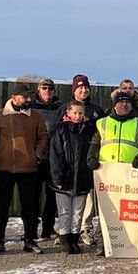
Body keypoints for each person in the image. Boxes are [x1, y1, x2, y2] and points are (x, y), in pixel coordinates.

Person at [0, 83, 50, 255]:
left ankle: (30, 240)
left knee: (29, 206)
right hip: (4, 168)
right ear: (14, 98)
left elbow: (43, 137)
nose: (28, 99)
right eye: (24, 97)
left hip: (28, 168)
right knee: (3, 205)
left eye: (29, 96)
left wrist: (36, 155)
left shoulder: (35, 116)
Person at [85, 91, 138, 246]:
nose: (124, 105)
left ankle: (128, 243)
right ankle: (103, 243)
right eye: (120, 102)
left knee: (128, 209)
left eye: (127, 102)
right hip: (106, 174)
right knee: (106, 210)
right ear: (114, 105)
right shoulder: (102, 123)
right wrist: (91, 158)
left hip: (130, 173)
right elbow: (95, 143)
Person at [48, 101, 96, 254]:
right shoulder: (60, 129)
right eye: (74, 113)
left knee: (78, 212)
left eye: (81, 113)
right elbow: (55, 155)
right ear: (68, 112)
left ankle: (74, 239)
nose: (77, 116)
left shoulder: (89, 130)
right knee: (65, 211)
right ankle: (64, 239)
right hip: (65, 178)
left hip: (81, 178)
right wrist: (57, 178)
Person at [30, 78, 62, 241]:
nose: (47, 91)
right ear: (39, 90)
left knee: (52, 196)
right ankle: (31, 229)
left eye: (50, 89)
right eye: (44, 88)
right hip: (36, 157)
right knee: (33, 195)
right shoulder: (31, 107)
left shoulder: (60, 108)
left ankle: (48, 228)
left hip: (54, 158)